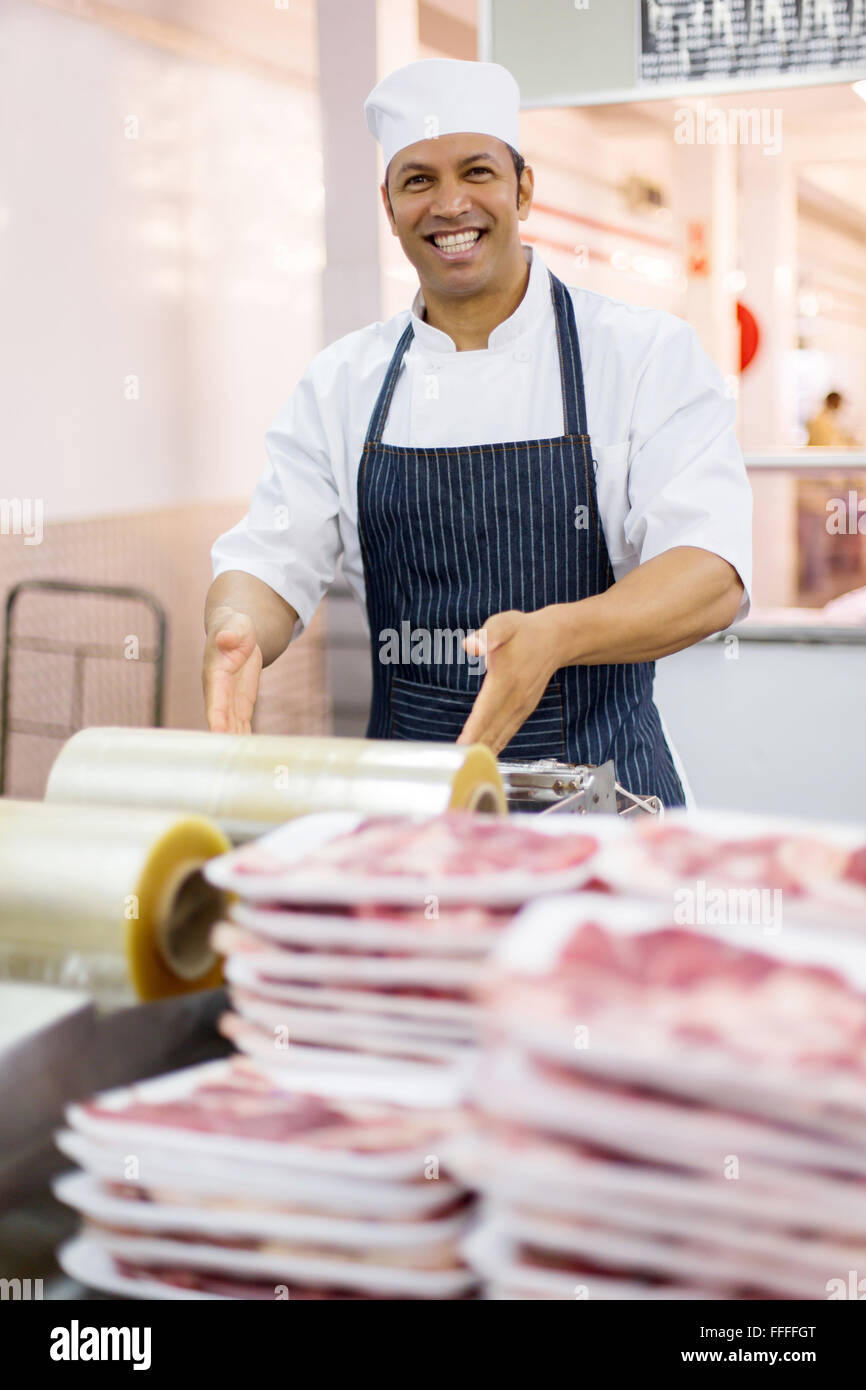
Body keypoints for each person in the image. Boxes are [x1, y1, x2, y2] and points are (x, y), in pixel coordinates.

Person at [204, 58, 752, 808]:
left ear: (523, 188)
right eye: (418, 180)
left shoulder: (640, 352)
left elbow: (711, 575)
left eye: (477, 171)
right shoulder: (342, 382)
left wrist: (558, 635)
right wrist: (236, 629)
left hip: (609, 805)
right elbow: (268, 559)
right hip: (415, 808)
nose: (450, 204)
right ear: (390, 205)